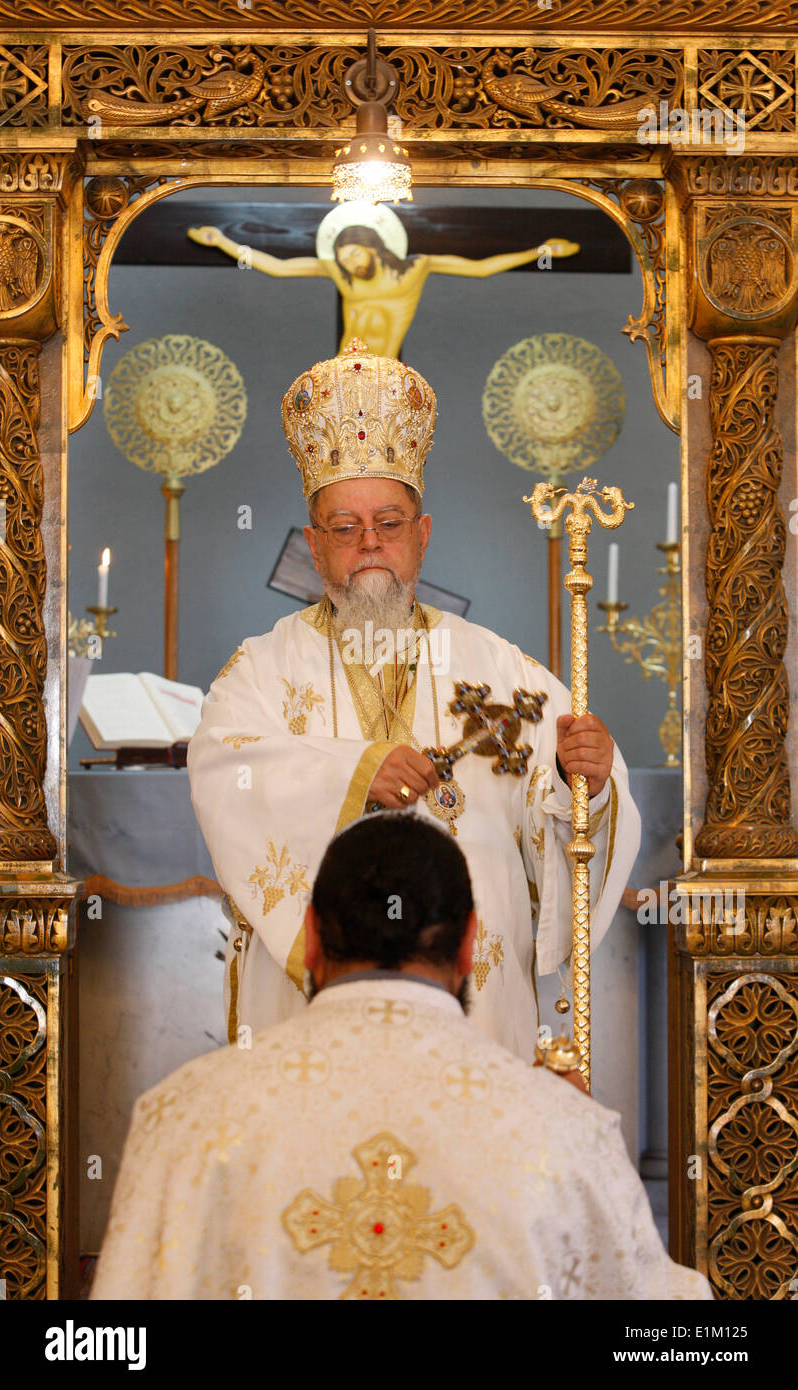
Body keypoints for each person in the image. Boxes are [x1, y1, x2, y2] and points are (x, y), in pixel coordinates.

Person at [187, 339, 641, 1063]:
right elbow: (222, 768)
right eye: (344, 527)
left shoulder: (500, 670)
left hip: (474, 1001)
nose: (369, 543)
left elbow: (568, 814)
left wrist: (577, 778)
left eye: (389, 523)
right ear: (314, 542)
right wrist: (354, 771)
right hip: (315, 1002)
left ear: (421, 537)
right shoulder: (260, 670)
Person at [91, 815, 711, 1301]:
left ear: (309, 937)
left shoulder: (183, 1115)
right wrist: (567, 1130)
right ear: (470, 944)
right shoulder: (562, 1130)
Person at [187, 200, 579, 358]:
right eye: (343, 258)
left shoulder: (416, 267)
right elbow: (278, 267)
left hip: (388, 372)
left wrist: (539, 252)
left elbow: (478, 268)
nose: (351, 263)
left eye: (355, 254)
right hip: (343, 368)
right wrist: (223, 242)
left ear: (374, 247)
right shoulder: (342, 276)